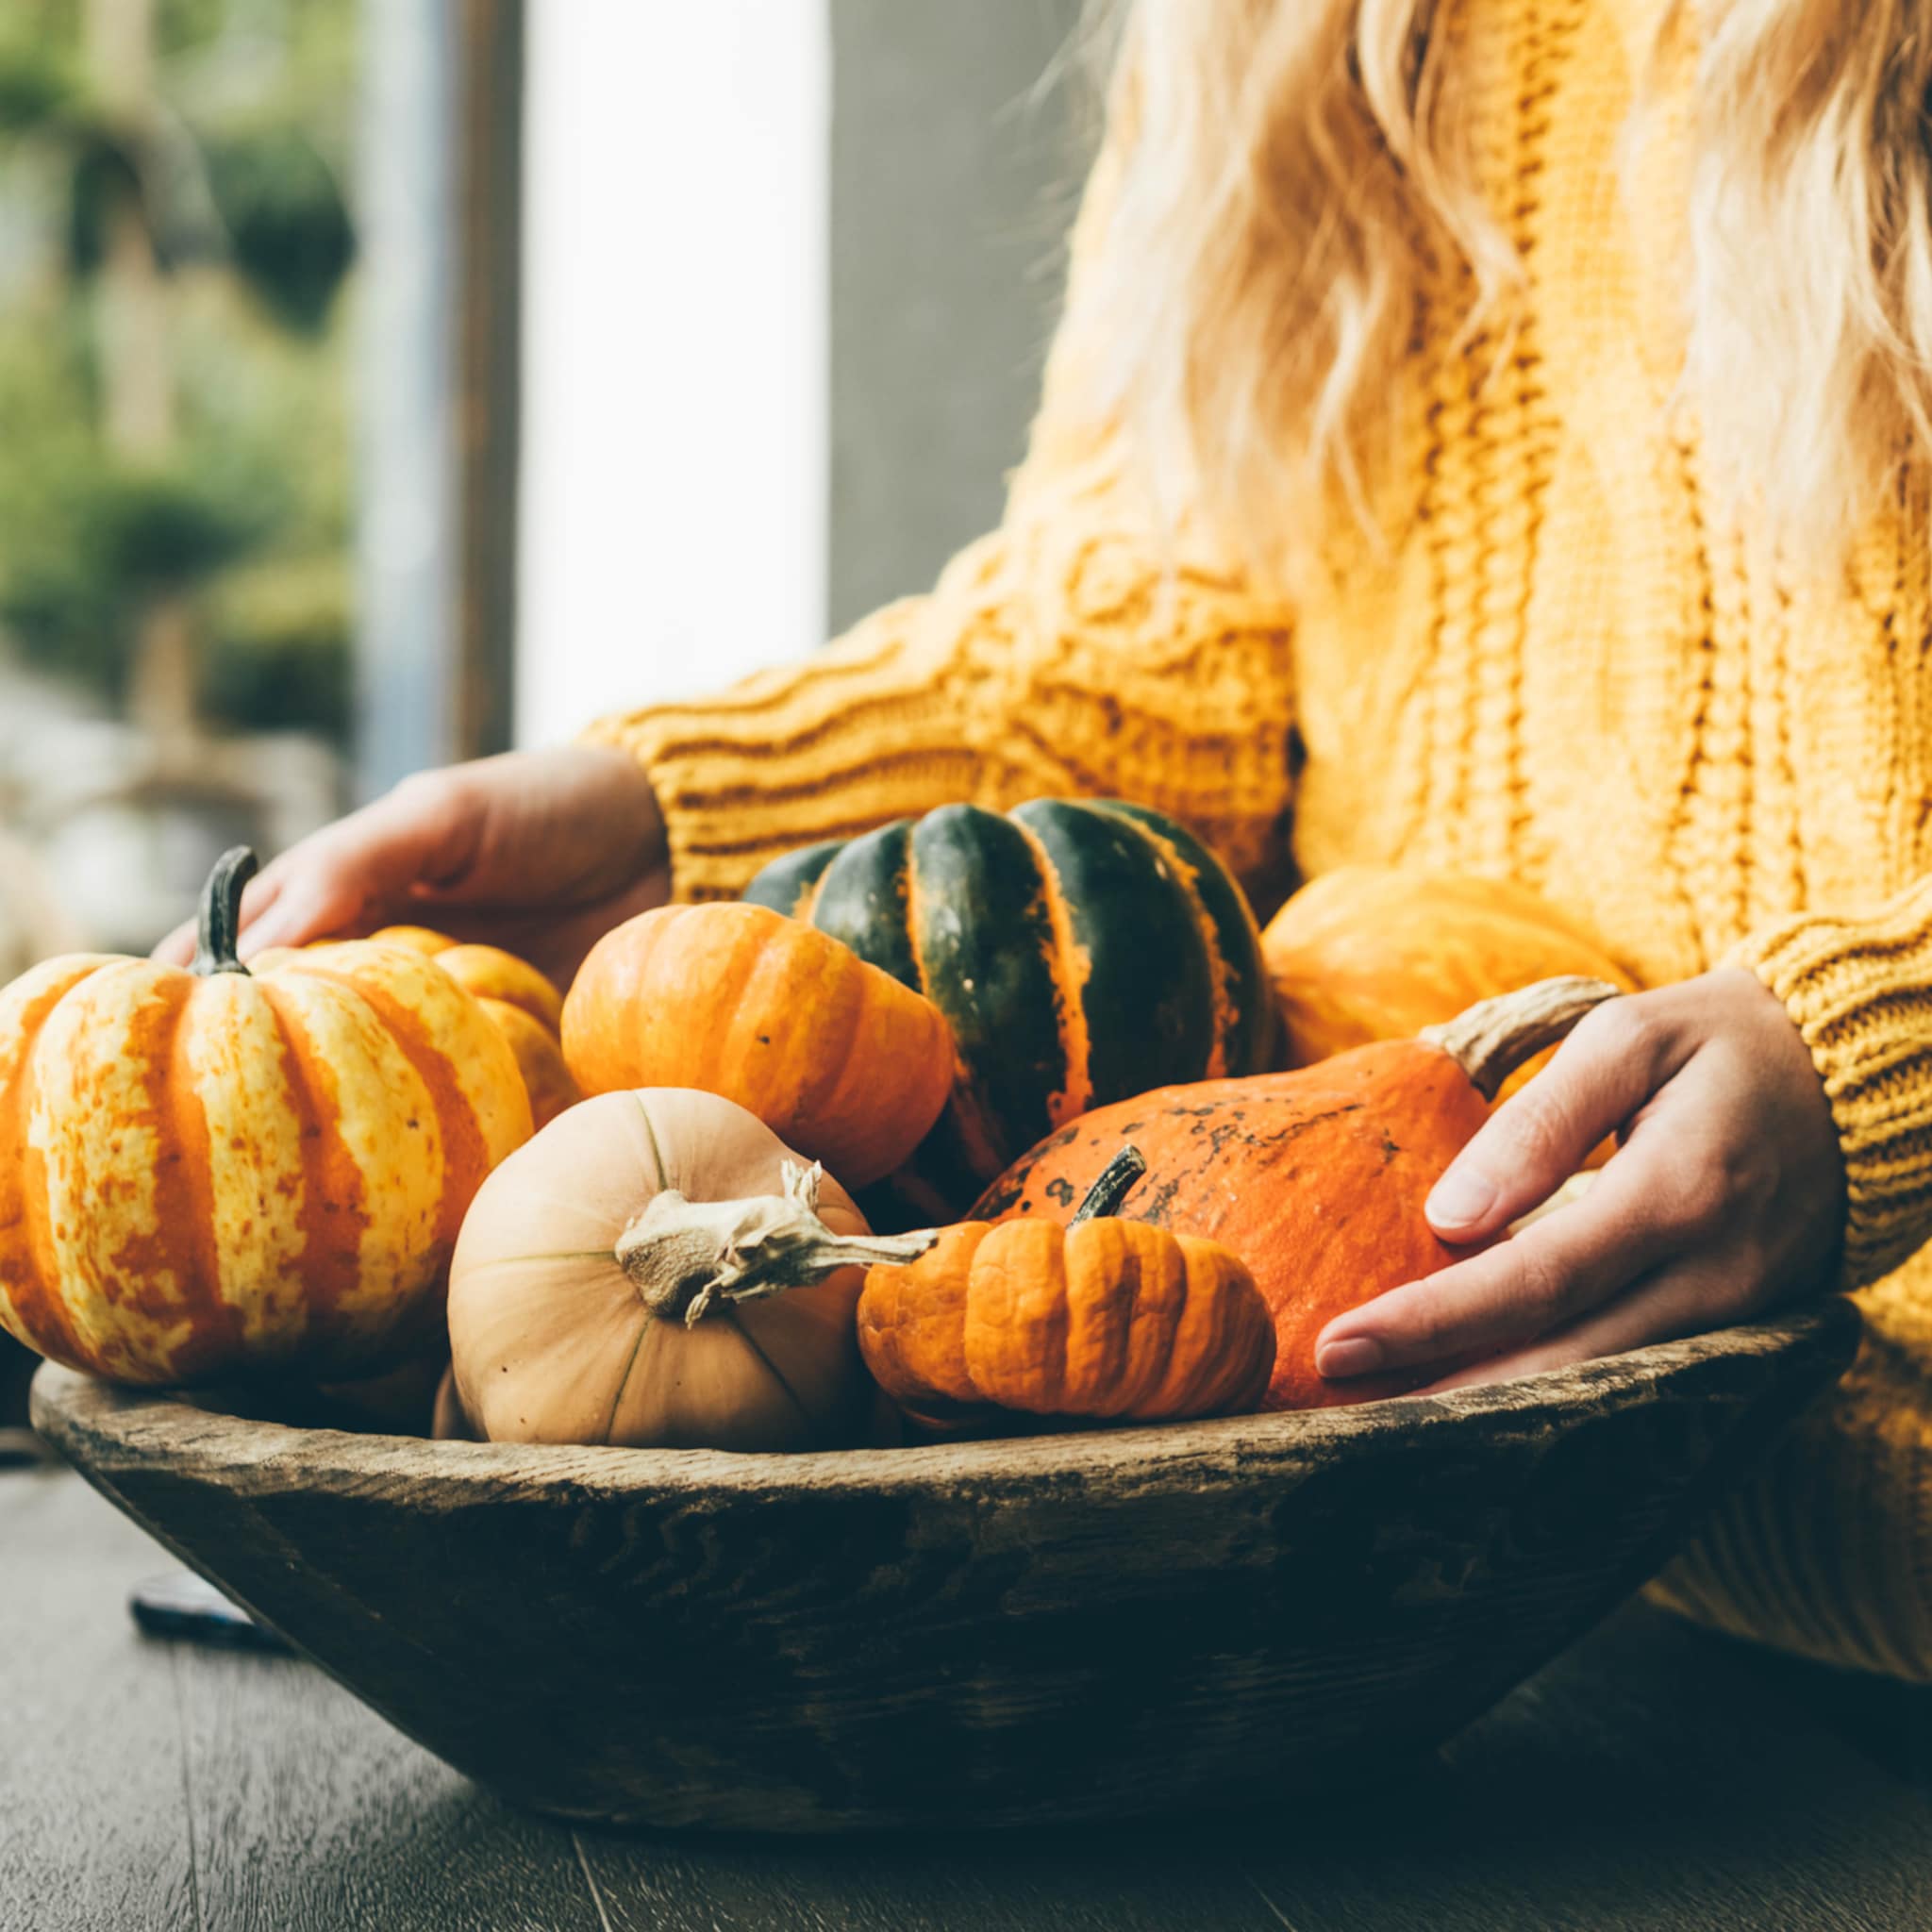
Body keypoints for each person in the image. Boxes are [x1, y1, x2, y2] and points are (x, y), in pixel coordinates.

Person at [158, 0, 1932, 1676]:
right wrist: (682, 817)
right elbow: (1173, 625)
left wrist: (1874, 1070)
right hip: (1535, 1588)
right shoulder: (1268, 34)